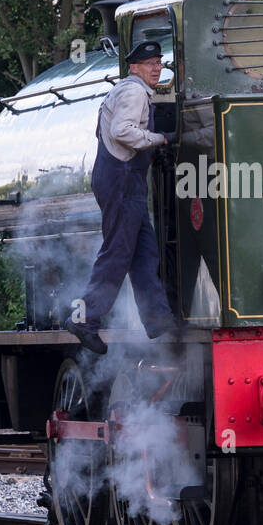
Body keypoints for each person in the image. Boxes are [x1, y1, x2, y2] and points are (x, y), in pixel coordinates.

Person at [65, 40, 180, 354]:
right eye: (149, 64)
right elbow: (122, 131)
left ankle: (158, 319)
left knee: (144, 252)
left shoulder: (128, 90)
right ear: (133, 67)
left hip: (126, 179)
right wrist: (162, 139)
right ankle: (84, 319)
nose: (156, 68)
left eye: (158, 62)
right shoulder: (133, 92)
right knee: (117, 252)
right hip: (122, 179)